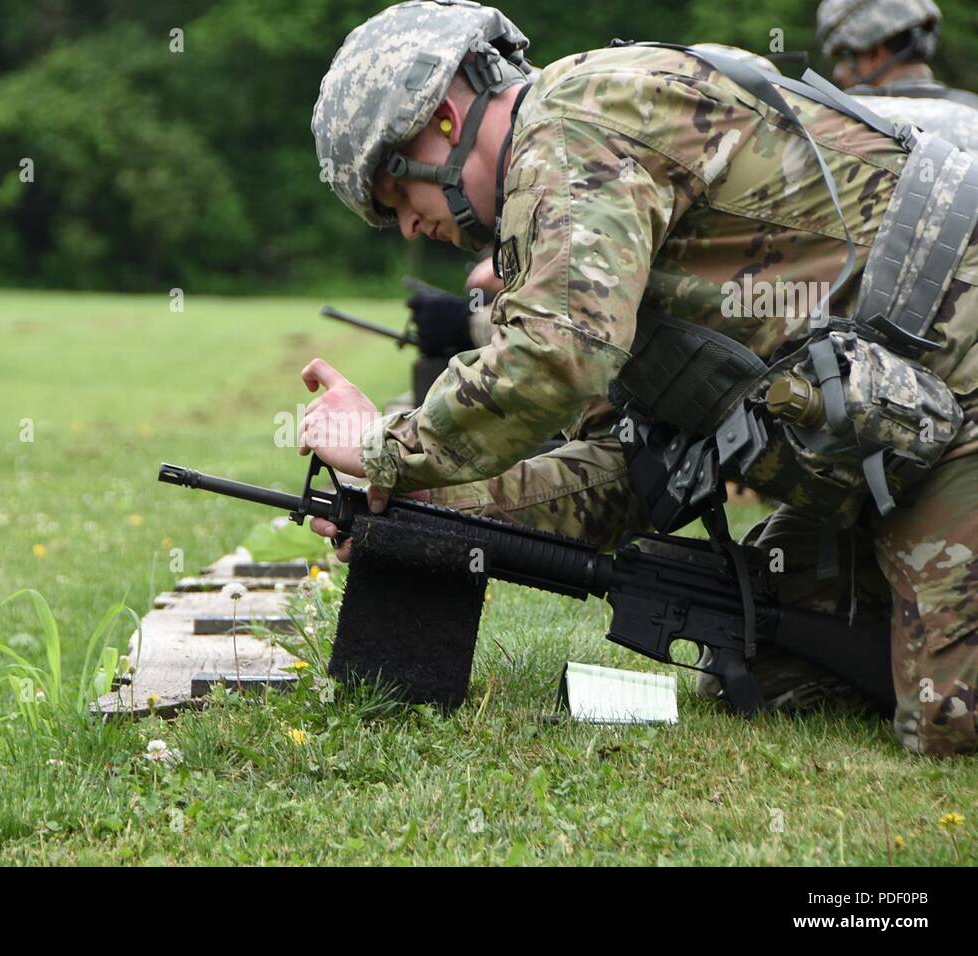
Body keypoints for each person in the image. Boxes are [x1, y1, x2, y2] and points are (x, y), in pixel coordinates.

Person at [302, 0, 978, 755]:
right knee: (769, 661)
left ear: (443, 123)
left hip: (960, 391)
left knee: (951, 721)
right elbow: (628, 469)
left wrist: (386, 445)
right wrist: (420, 510)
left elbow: (555, 362)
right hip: (892, 441)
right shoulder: (564, 201)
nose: (408, 227)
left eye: (397, 194)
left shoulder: (574, 126)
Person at [817, 0, 978, 151]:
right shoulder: (971, 115)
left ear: (876, 55)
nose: (837, 73)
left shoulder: (841, 122)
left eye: (844, 57)